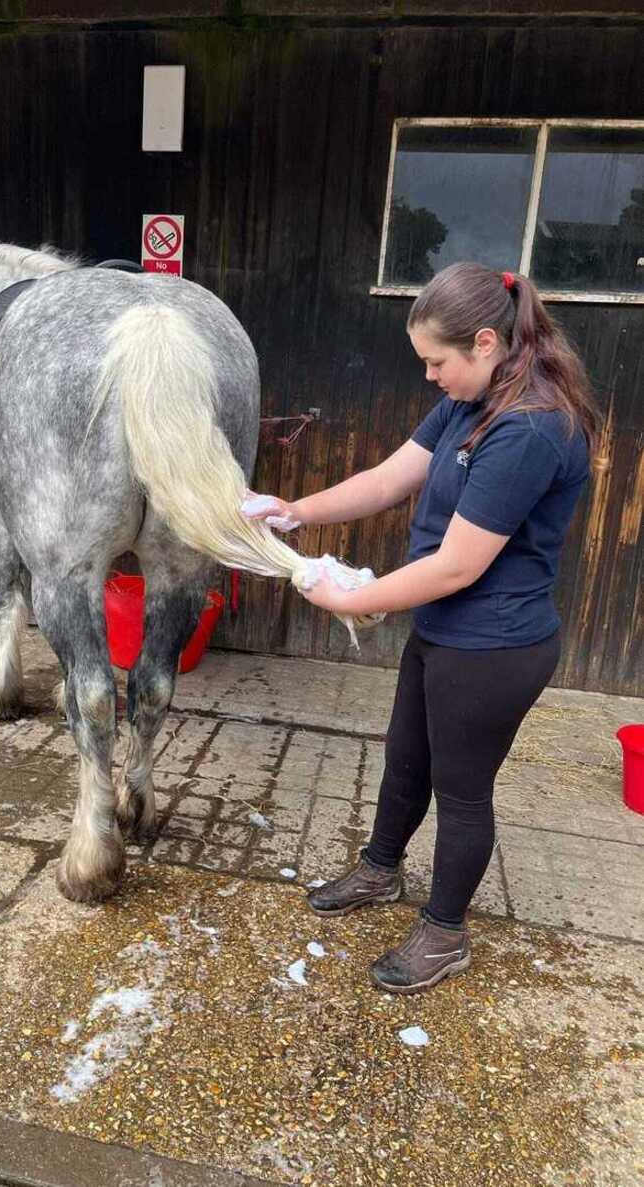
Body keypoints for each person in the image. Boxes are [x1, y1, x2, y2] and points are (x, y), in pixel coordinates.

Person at [243, 261, 600, 994]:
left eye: (438, 362)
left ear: (485, 343)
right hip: (444, 632)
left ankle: (445, 932)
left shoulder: (529, 427)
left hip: (495, 643)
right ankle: (380, 871)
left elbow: (456, 567)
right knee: (406, 756)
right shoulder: (469, 403)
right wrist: (296, 510)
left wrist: (347, 597)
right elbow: (387, 478)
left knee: (462, 789)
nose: (430, 376)